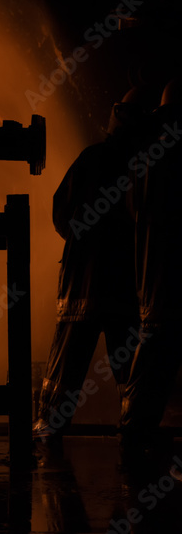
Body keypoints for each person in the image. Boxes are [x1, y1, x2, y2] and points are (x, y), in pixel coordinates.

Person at [34, 89, 148, 449]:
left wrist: (80, 240)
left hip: (81, 283)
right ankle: (135, 429)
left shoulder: (92, 158)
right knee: (129, 362)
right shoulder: (146, 165)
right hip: (125, 283)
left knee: (67, 362)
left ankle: (50, 428)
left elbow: (60, 211)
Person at [120, 78, 182, 457]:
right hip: (168, 284)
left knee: (152, 366)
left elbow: (133, 216)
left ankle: (135, 435)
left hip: (155, 288)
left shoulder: (143, 163)